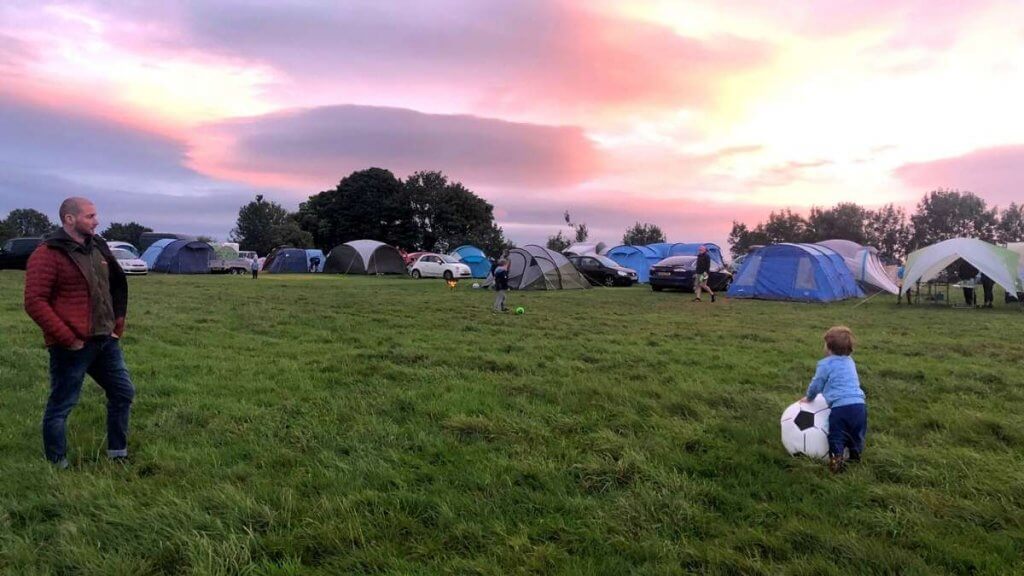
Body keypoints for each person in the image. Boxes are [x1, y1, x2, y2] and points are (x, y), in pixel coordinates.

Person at [24, 197, 135, 469]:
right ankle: (57, 463)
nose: (96, 221)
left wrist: (117, 323)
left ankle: (118, 454)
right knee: (61, 405)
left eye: (96, 215)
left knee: (123, 392)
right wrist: (67, 338)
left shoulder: (98, 246)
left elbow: (118, 283)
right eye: (90, 216)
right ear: (69, 219)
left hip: (104, 341)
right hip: (71, 345)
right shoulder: (48, 253)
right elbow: (34, 301)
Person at [800, 326, 866, 474]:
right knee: (856, 433)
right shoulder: (850, 362)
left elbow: (817, 384)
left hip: (840, 408)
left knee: (837, 435)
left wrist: (809, 397)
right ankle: (855, 456)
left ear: (829, 347)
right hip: (860, 405)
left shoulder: (825, 364)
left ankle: (836, 462)